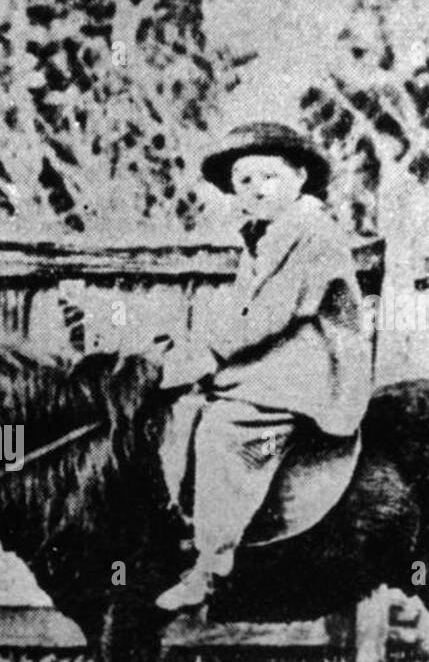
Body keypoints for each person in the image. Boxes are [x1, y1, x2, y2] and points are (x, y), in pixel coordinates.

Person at [153, 121, 371, 612]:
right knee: (183, 410)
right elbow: (241, 313)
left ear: (299, 177)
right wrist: (189, 350)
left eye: (268, 177)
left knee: (228, 427)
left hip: (308, 366)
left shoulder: (312, 233)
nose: (255, 190)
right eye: (244, 182)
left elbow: (271, 315)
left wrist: (205, 356)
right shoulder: (264, 236)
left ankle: (212, 565)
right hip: (274, 361)